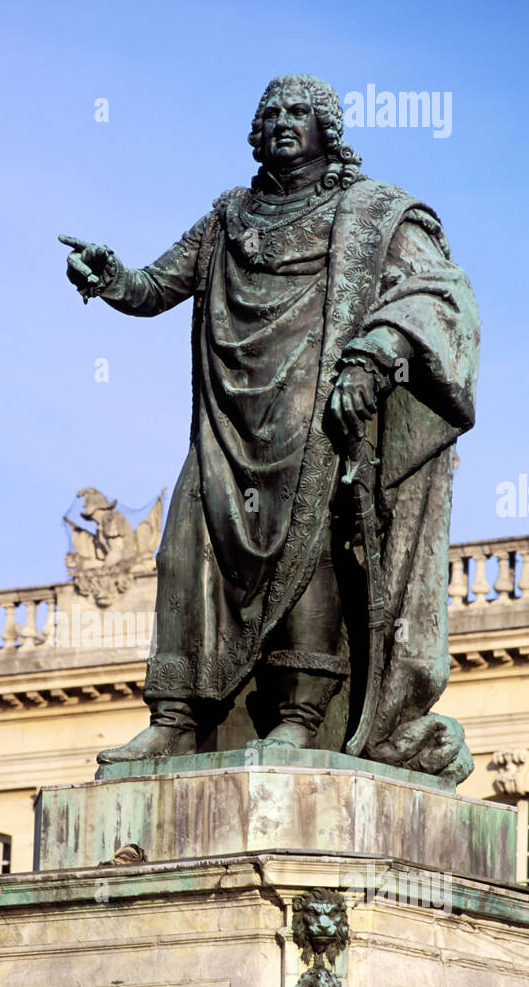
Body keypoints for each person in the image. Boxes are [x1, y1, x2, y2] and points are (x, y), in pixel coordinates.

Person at [59, 74, 479, 783]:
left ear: (327, 130)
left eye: (300, 113)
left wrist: (374, 354)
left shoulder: (374, 211)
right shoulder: (229, 215)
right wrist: (111, 279)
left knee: (307, 548)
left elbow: (437, 292)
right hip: (230, 424)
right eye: (271, 113)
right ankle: (174, 719)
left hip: (317, 417)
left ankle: (300, 715)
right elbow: (157, 286)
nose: (284, 122)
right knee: (187, 551)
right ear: (255, 131)